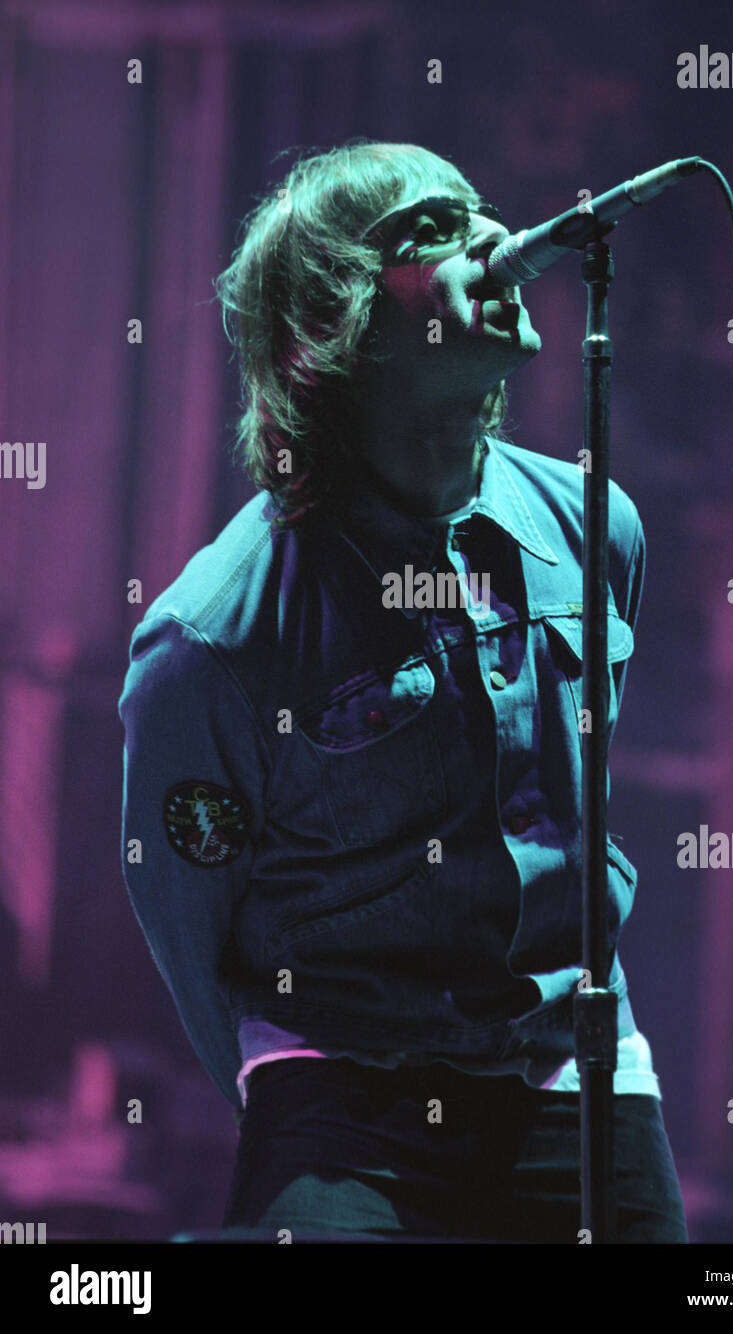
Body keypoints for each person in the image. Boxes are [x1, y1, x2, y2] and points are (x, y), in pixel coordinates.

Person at [118, 138, 688, 1243]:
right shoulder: (213, 633)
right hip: (344, 1091)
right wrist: (288, 1091)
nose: (489, 237)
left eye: (476, 207)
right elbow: (191, 930)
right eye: (428, 229)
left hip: (572, 1070)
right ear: (336, 327)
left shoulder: (594, 524)